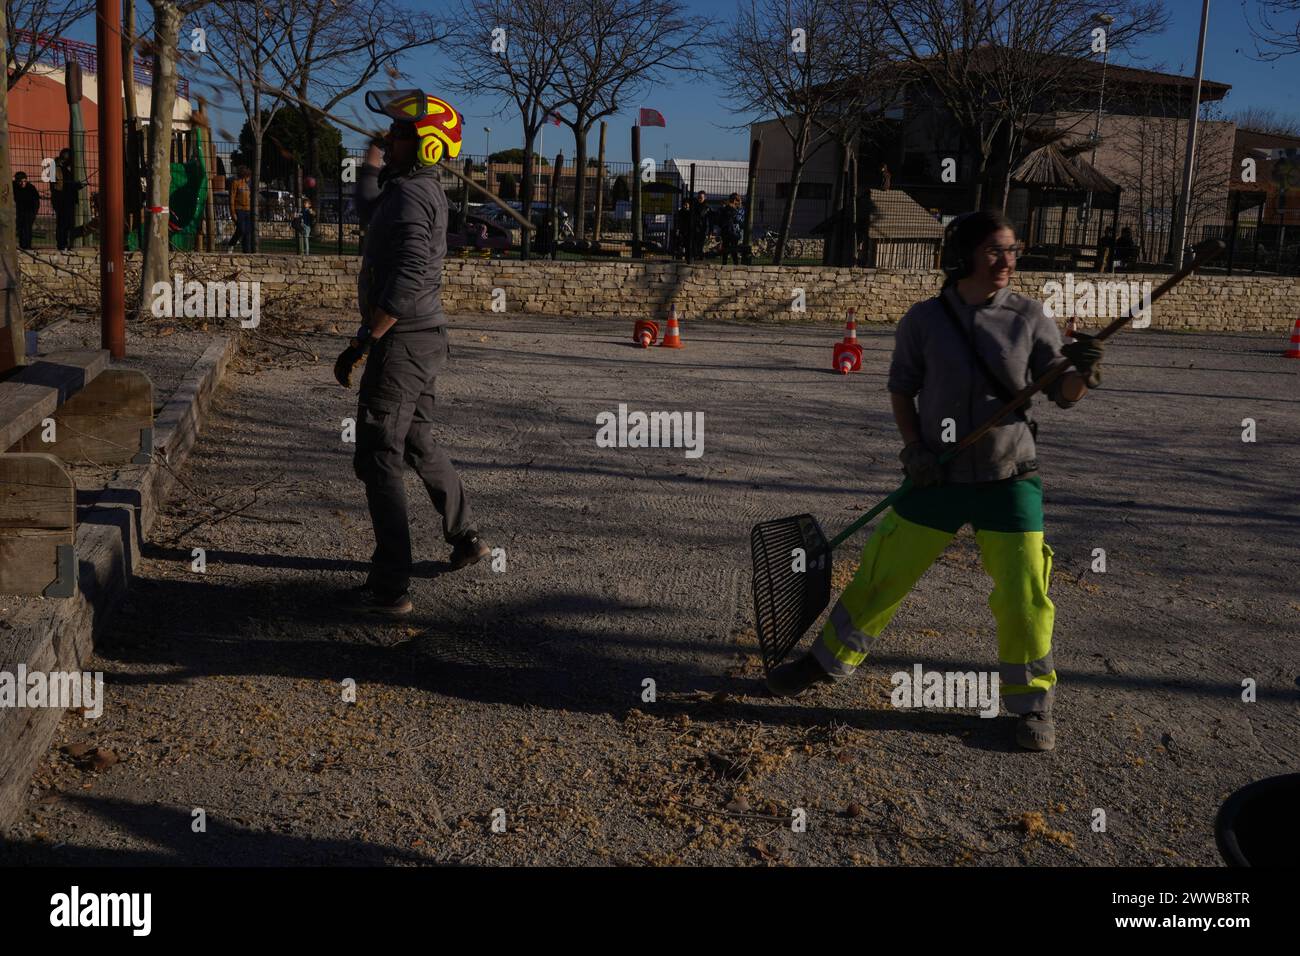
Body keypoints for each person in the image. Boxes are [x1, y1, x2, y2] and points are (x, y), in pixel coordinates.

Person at [765, 211, 1106, 752]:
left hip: (1009, 474)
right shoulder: (924, 319)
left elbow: (1061, 394)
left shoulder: (1029, 317)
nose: (1007, 261)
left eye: (1013, 250)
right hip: (939, 474)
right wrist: (914, 449)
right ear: (964, 254)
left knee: (1025, 594)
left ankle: (1031, 706)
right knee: (882, 575)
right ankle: (827, 662)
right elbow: (903, 388)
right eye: (995, 250)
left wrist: (1082, 372)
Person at [332, 89, 490, 617]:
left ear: (424, 144)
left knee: (379, 451)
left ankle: (391, 587)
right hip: (424, 337)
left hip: (402, 340)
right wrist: (372, 164)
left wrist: (366, 338)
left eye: (400, 132)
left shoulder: (412, 196)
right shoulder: (412, 190)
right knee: (417, 439)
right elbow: (369, 209)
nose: (390, 137)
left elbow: (411, 273)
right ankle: (466, 537)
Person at [50, 149, 82, 251]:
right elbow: (59, 186)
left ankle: (63, 243)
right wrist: (74, 186)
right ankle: (62, 244)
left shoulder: (59, 168)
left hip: (62, 200)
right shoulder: (58, 168)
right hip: (63, 200)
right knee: (64, 223)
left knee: (64, 223)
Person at [227, 166, 253, 252]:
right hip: (239, 209)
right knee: (241, 229)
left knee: (247, 232)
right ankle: (231, 244)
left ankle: (247, 252)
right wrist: (233, 213)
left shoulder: (249, 184)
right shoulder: (236, 183)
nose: (248, 178)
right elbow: (232, 198)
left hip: (248, 210)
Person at [13, 172, 40, 249]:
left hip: (30, 210)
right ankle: (22, 245)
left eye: (24, 181)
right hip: (20, 210)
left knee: (27, 228)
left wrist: (34, 212)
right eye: (20, 182)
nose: (22, 183)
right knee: (20, 228)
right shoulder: (14, 186)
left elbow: (36, 201)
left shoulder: (31, 188)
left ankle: (27, 246)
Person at [718, 192, 744, 265]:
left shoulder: (739, 209)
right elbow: (721, 220)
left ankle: (735, 264)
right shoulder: (726, 209)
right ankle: (725, 264)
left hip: (733, 231)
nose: (735, 202)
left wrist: (734, 209)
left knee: (733, 249)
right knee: (726, 248)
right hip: (727, 231)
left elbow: (738, 220)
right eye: (733, 200)